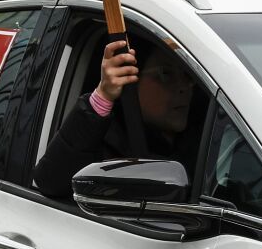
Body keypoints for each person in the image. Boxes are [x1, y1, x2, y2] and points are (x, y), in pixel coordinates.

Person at [34, 36, 198, 199]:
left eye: (188, 74)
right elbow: (51, 181)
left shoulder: (213, 139)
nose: (184, 86)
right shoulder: (106, 147)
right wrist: (103, 96)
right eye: (166, 73)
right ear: (126, 80)